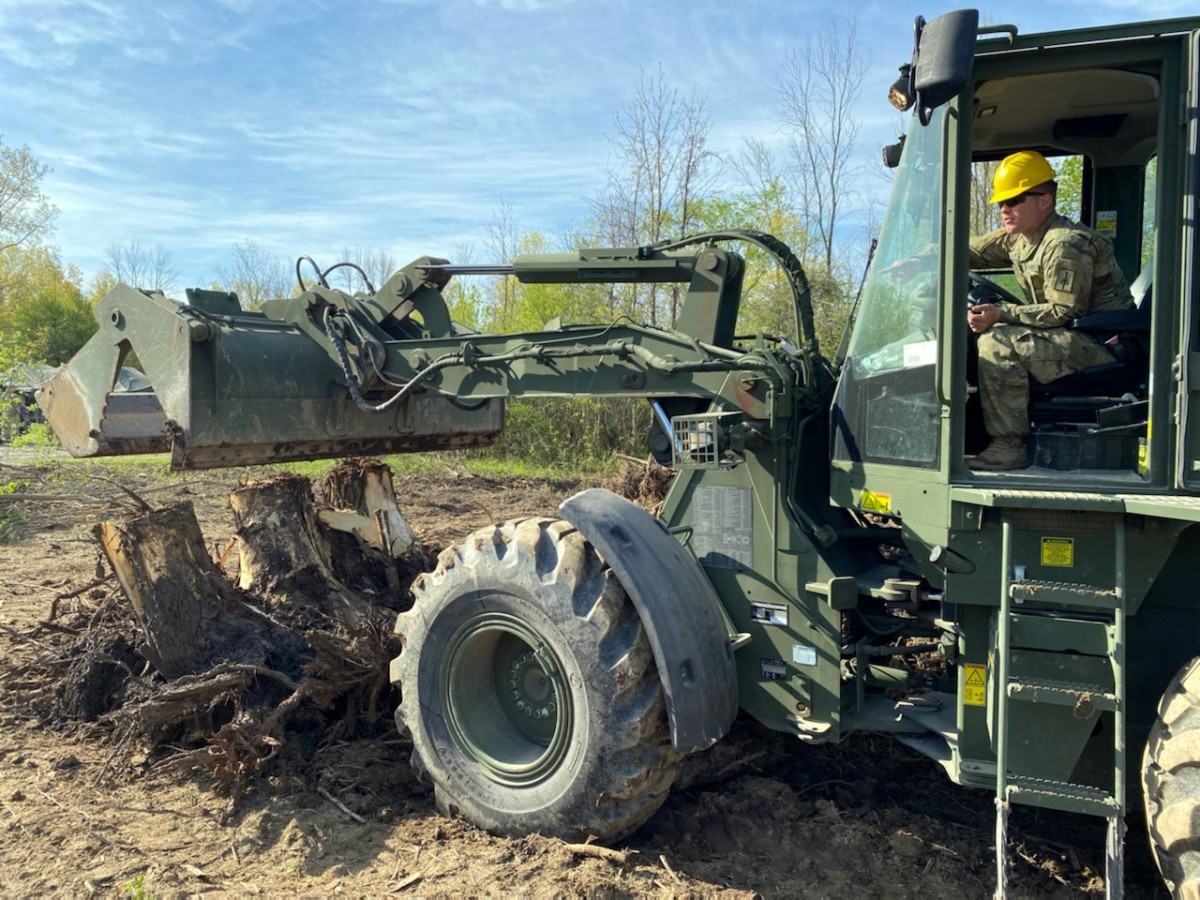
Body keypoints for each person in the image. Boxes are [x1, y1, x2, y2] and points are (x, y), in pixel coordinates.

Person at [965, 150, 1133, 471]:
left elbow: (1063, 311)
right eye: (1001, 202)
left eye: (1014, 200)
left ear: (1044, 201)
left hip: (1102, 345)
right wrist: (921, 256)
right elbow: (968, 249)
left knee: (997, 341)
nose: (1004, 209)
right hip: (1072, 336)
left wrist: (1001, 313)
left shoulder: (1064, 245)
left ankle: (1009, 446)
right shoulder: (1020, 239)